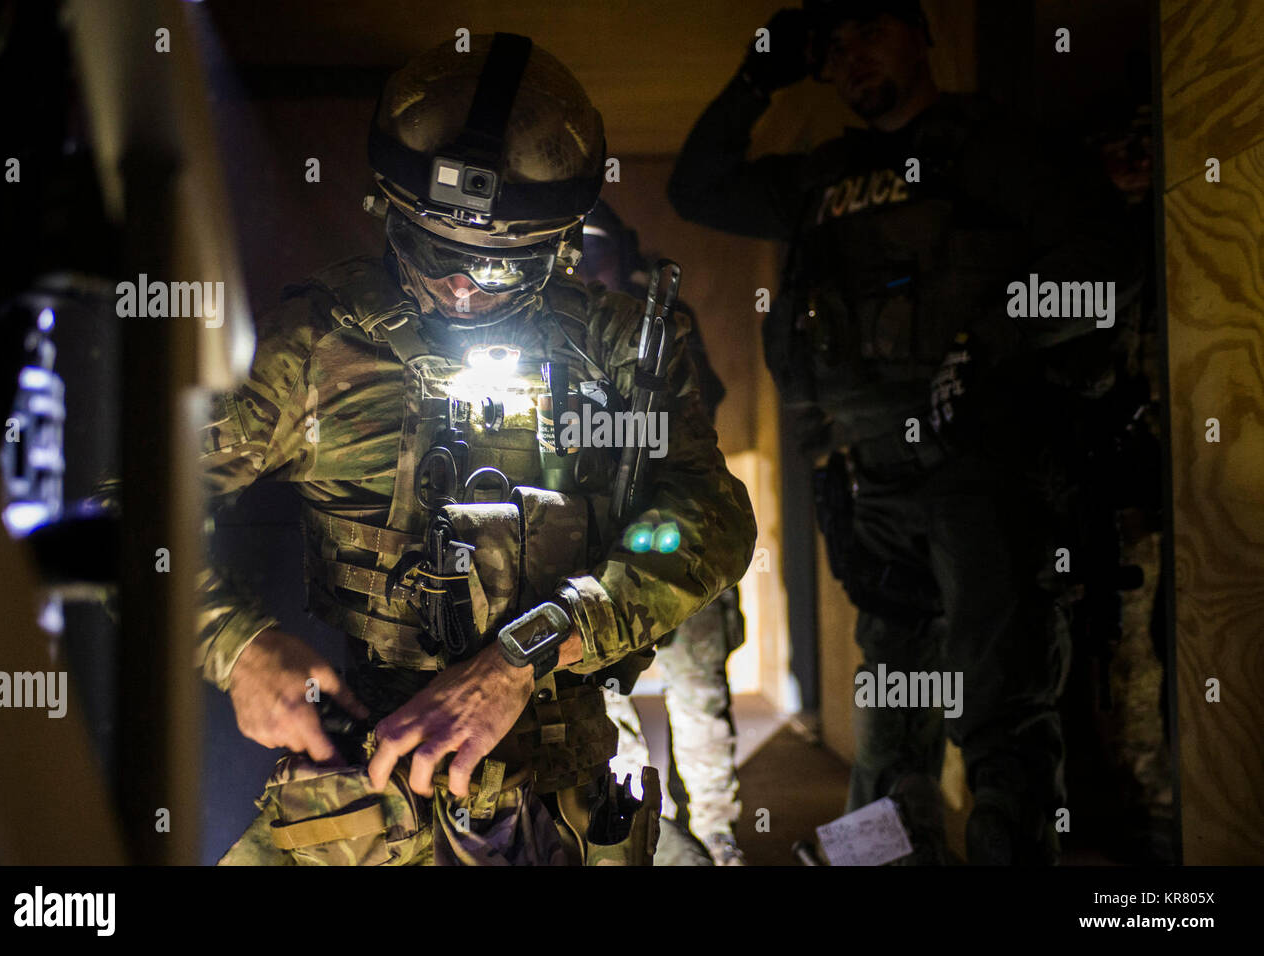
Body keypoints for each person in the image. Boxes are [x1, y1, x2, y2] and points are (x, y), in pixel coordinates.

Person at [196, 33, 756, 865]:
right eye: (435, 253)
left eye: (499, 269)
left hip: (564, 791)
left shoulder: (619, 349)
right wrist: (234, 644)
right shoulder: (310, 350)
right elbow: (118, 504)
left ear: (561, 244)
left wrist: (527, 652)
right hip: (363, 786)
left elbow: (707, 519)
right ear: (387, 210)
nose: (462, 288)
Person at [668, 0, 1137, 864]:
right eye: (834, 46)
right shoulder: (822, 178)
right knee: (891, 714)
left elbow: (1102, 275)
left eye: (871, 27)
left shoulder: (991, 148)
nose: (852, 55)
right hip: (868, 481)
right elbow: (695, 188)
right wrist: (755, 78)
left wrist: (995, 339)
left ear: (921, 32)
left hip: (985, 468)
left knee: (1000, 712)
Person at [580, 200, 749, 866]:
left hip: (677, 534)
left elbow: (699, 409)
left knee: (699, 697)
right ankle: (638, 841)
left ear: (627, 255)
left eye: (600, 251)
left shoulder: (662, 324)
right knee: (602, 706)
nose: (590, 267)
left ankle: (715, 839)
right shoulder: (563, 327)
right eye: (577, 252)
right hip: (595, 543)